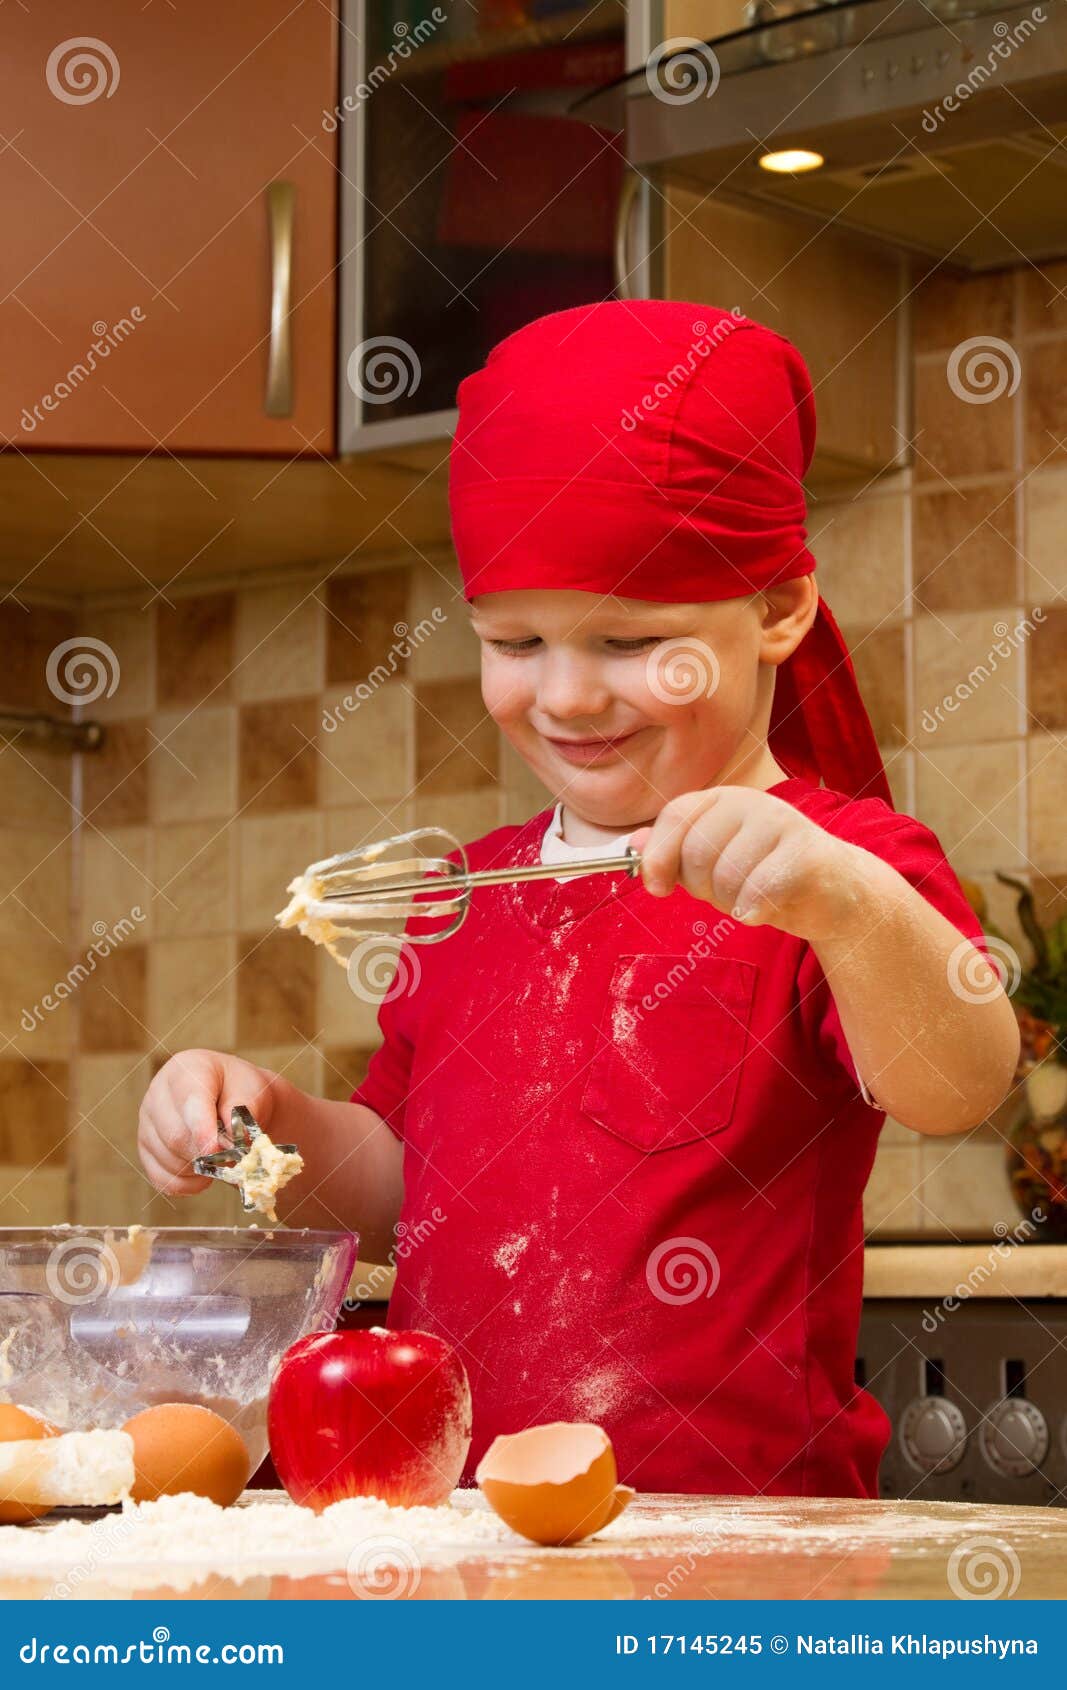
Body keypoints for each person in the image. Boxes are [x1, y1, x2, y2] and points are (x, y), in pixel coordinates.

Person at [138, 301, 1019, 1497]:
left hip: (737, 1557)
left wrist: (847, 907)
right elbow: (403, 1191)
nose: (565, 694)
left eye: (626, 641)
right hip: (458, 1533)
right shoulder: (466, 895)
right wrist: (271, 1125)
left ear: (777, 611)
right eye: (515, 640)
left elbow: (961, 1080)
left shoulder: (834, 863)